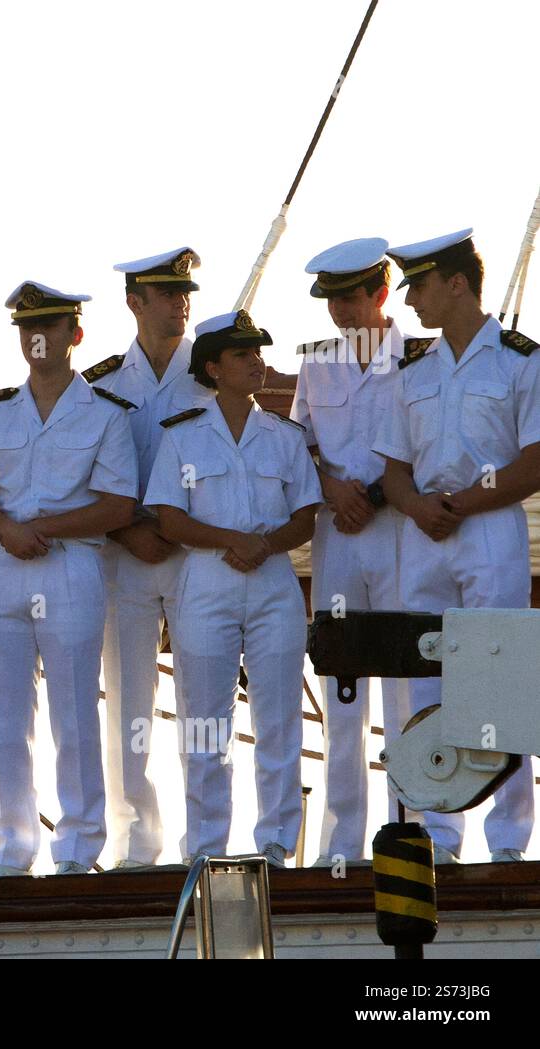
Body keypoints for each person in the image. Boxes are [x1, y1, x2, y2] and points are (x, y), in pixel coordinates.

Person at [0, 281, 137, 876]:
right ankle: (11, 849)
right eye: (26, 328)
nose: (36, 337)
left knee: (74, 713)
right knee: (5, 716)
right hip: (5, 567)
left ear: (75, 335)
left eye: (51, 327)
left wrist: (45, 527)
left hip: (71, 565)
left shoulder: (107, 415)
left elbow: (118, 505)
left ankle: (80, 845)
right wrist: (9, 531)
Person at [375, 229, 539, 864]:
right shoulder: (412, 370)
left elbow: (534, 461)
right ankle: (440, 835)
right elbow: (393, 468)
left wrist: (463, 504)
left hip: (488, 527)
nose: (410, 298)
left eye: (417, 285)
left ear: (456, 283)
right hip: (425, 531)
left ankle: (507, 840)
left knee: (497, 680)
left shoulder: (521, 361)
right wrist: (418, 505)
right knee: (429, 684)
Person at [145, 309, 321, 866]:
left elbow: (305, 516)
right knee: (204, 723)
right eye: (243, 355)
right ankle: (204, 847)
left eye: (258, 353)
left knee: (278, 717)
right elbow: (168, 518)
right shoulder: (182, 435)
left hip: (273, 582)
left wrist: (263, 546)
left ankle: (275, 842)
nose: (256, 363)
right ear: (214, 368)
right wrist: (232, 539)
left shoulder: (285, 434)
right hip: (206, 579)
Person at [86, 246, 212, 868]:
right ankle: (136, 839)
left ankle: (205, 840)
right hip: (125, 552)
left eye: (185, 291)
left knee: (203, 701)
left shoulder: (213, 376)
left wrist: (180, 530)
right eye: (166, 292)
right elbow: (83, 472)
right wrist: (131, 529)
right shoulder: (102, 384)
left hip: (195, 554)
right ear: (135, 302)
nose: (179, 301)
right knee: (128, 702)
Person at [290, 238, 409, 867]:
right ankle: (342, 846)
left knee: (410, 687)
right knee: (342, 685)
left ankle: (418, 833)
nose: (339, 311)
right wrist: (332, 487)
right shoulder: (316, 363)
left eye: (350, 297)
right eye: (331, 299)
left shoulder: (420, 360)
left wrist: (377, 493)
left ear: (381, 293)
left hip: (398, 533)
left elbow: (427, 446)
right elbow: (301, 444)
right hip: (336, 534)